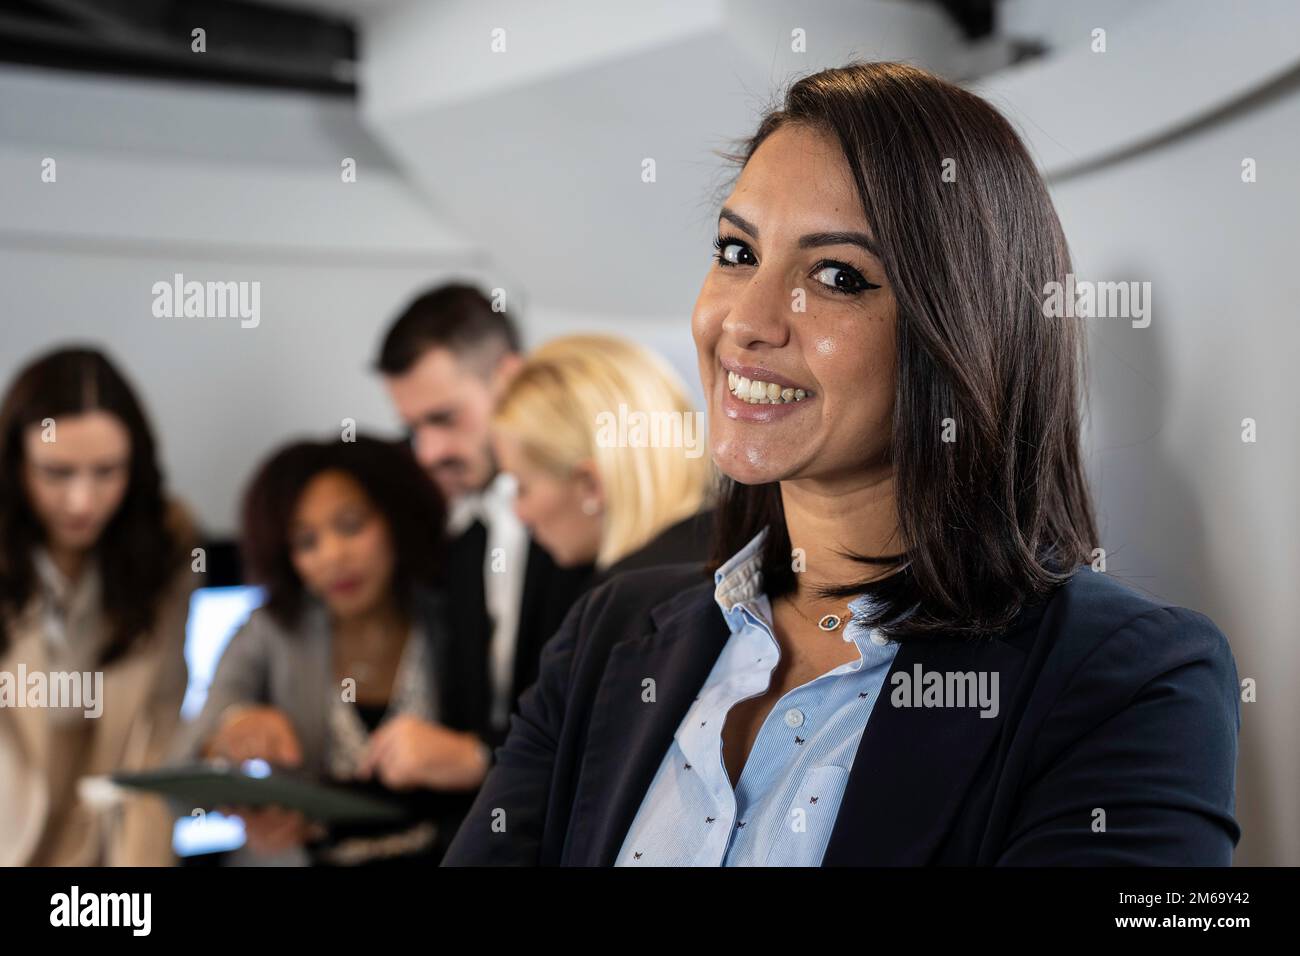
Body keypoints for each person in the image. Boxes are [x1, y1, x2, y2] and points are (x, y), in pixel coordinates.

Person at [441, 62, 1241, 866]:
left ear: (960, 334)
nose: (746, 321)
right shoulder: (606, 637)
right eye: (737, 251)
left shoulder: (1130, 684)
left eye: (836, 277)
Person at [175, 436, 483, 865]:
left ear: (396, 519)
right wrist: (232, 730)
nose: (333, 556)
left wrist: (470, 754)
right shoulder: (270, 629)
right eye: (306, 542)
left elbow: (513, 747)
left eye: (352, 526)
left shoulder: (454, 614)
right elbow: (186, 764)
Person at [376, 285, 593, 759]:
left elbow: (597, 728)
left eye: (444, 418)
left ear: (510, 379)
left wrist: (478, 757)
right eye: (413, 429)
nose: (428, 453)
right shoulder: (456, 535)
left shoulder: (584, 516)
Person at [0, 346, 197, 866]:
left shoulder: (170, 545)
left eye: (106, 471)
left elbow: (157, 720)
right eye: (57, 472)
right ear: (16, 466)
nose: (83, 502)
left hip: (114, 812)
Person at [490, 334, 713, 582]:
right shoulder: (736, 563)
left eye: (522, 487)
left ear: (590, 485)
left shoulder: (624, 605)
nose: (519, 513)